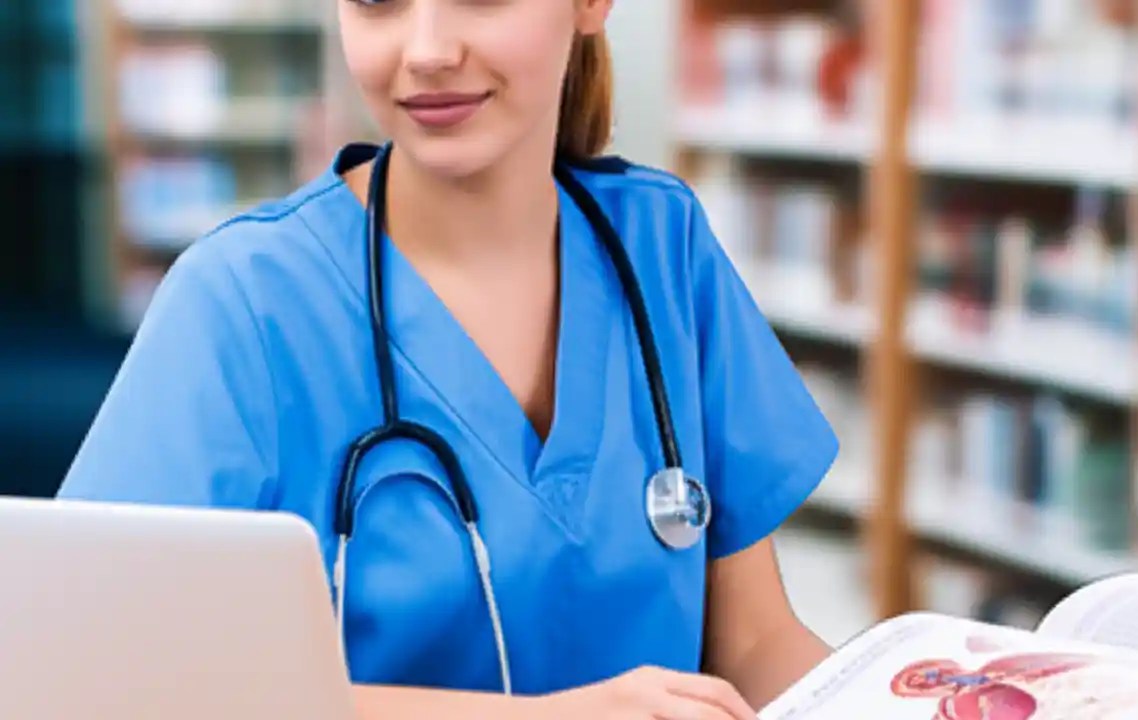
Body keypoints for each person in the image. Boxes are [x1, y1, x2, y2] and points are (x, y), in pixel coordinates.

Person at [58, 0, 841, 717]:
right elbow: (90, 678)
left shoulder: (663, 249)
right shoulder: (242, 302)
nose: (427, 49)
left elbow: (753, 642)